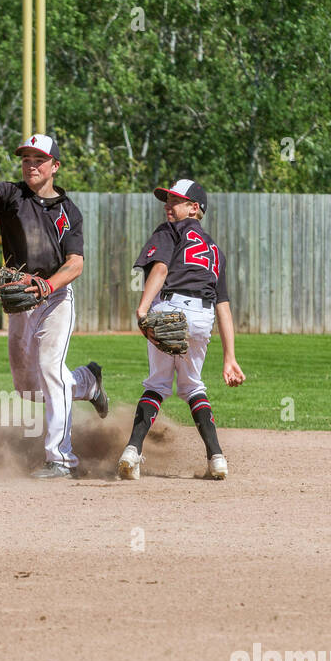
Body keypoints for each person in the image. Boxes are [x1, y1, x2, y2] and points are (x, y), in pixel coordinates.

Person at [0, 133, 108, 479]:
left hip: (55, 297)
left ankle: (60, 458)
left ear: (54, 166)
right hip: (19, 302)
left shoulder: (67, 211)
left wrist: (48, 285)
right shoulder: (13, 195)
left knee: (49, 368)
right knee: (28, 388)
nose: (31, 165)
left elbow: (75, 264)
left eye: (38, 159)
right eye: (26, 159)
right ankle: (87, 382)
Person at [118, 179, 245, 481]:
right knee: (192, 386)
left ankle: (132, 451)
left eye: (176, 201)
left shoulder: (169, 231)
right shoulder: (215, 251)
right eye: (168, 200)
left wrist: (143, 309)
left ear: (195, 209)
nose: (168, 206)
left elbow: (160, 268)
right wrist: (230, 357)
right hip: (202, 319)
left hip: (169, 308)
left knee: (158, 384)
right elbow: (223, 307)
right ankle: (217, 458)